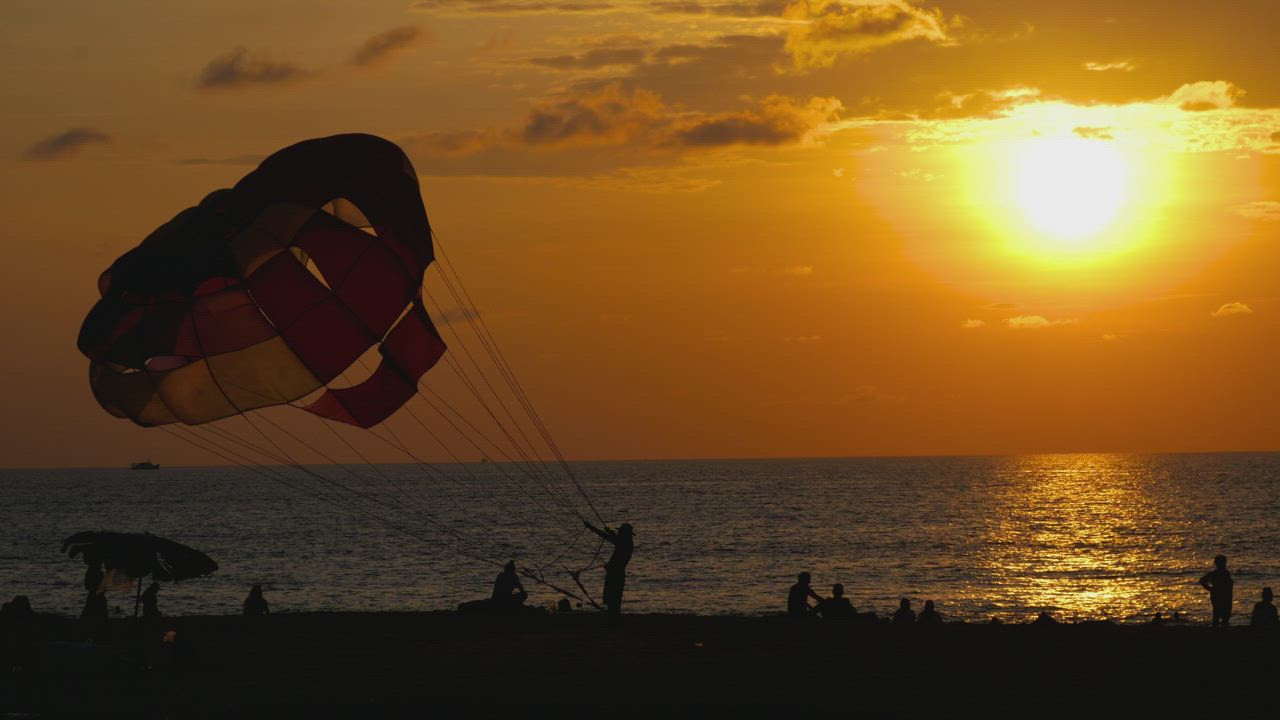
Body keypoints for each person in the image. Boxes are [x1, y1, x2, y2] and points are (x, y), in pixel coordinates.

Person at [585, 521, 634, 615]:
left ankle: (613, 618)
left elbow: (609, 537)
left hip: (615, 575)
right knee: (614, 599)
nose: (619, 533)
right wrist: (609, 532)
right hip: (617, 574)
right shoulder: (627, 543)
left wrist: (591, 527)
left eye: (620, 532)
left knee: (613, 598)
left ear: (624, 534)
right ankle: (613, 616)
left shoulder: (623, 543)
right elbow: (614, 538)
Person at [1199, 555, 1234, 628]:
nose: (1224, 564)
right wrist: (1210, 589)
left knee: (1220, 615)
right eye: (1223, 562)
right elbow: (1202, 581)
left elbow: (1202, 581)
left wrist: (1210, 589)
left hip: (1224, 596)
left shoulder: (1224, 573)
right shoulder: (1216, 574)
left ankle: (1218, 630)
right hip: (1220, 597)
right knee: (1220, 616)